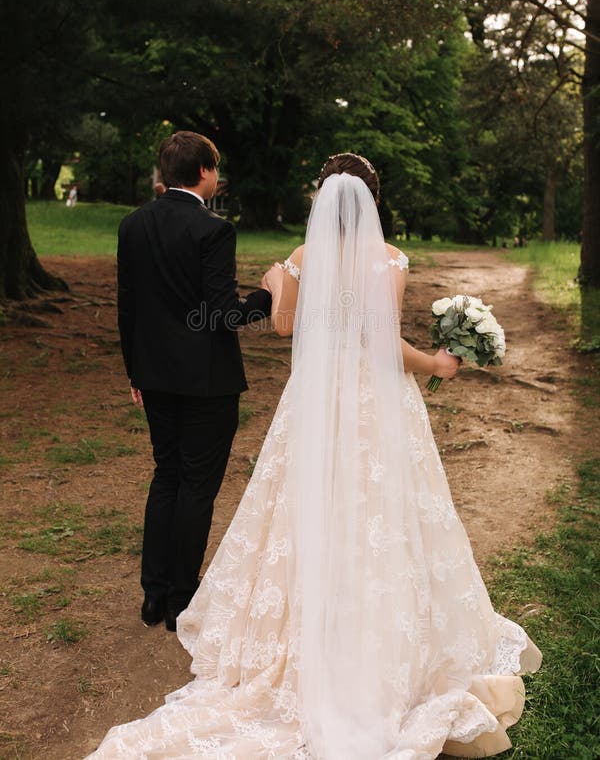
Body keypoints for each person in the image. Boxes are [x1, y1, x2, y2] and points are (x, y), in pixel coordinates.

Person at [89, 153, 541, 759]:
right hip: (374, 403)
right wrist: (435, 362)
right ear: (373, 202)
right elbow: (378, 341)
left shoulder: (303, 259)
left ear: (323, 201)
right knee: (381, 506)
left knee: (308, 499)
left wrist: (278, 285)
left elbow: (283, 329)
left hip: (314, 402)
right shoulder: (389, 261)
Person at [116, 131, 272, 633]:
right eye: (217, 168)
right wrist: (265, 299)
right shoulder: (213, 229)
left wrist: (134, 372)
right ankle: (182, 598)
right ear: (204, 172)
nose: (218, 177)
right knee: (197, 487)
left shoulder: (133, 224)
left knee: (167, 476)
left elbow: (128, 309)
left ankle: (152, 595)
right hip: (207, 382)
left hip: (155, 376)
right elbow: (223, 315)